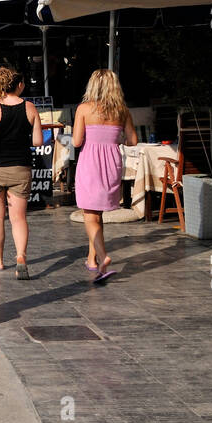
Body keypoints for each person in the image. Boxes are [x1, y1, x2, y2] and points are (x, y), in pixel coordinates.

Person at [0, 67, 43, 278]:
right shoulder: (30, 108)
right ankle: (21, 255)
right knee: (19, 218)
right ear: (18, 85)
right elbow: (38, 141)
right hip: (21, 168)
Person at [73, 69, 137, 284]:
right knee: (97, 214)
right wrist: (115, 141)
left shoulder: (84, 108)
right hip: (111, 163)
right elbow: (133, 141)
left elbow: (76, 141)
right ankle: (91, 259)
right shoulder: (122, 110)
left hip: (90, 162)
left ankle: (102, 256)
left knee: (89, 215)